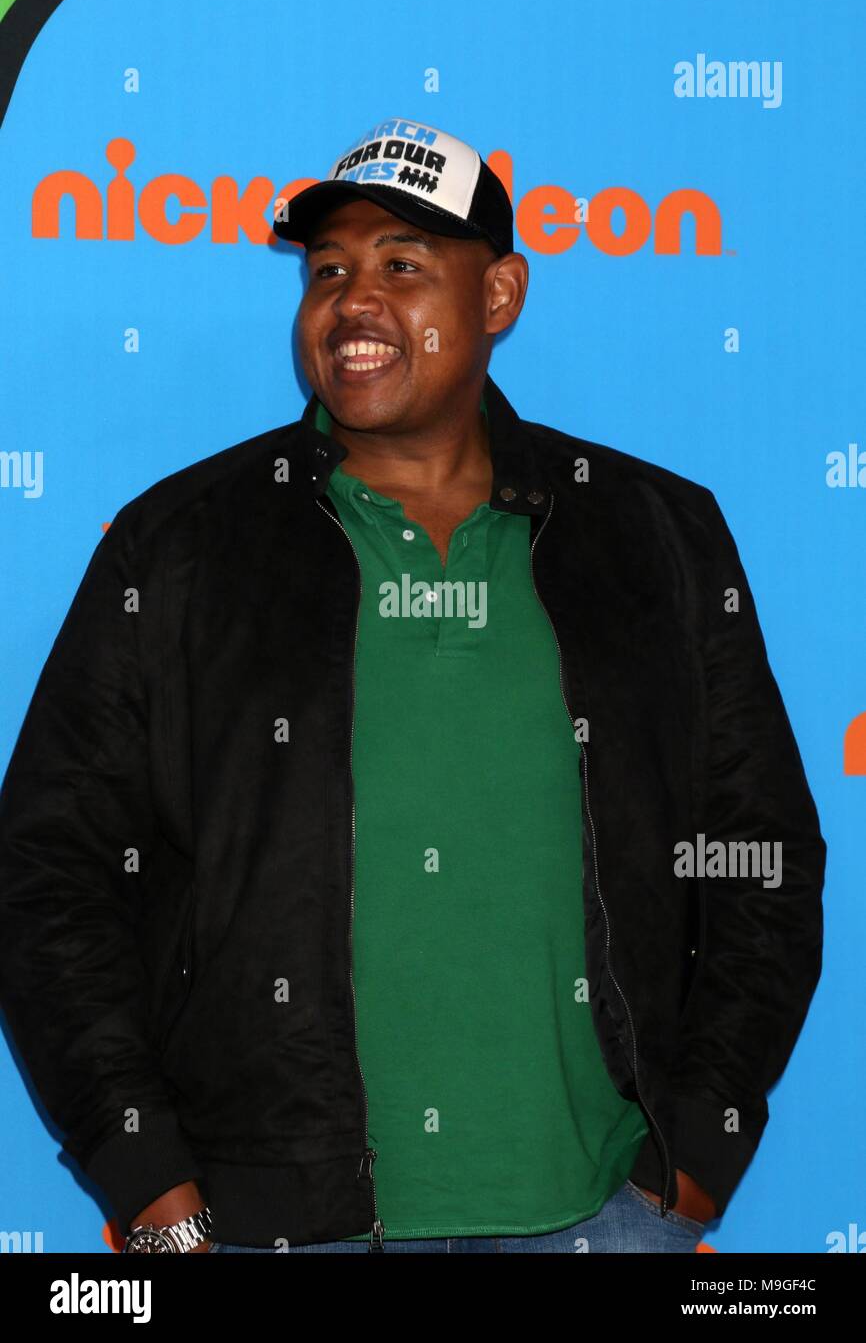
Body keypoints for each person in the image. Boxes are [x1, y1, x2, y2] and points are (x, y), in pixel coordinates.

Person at [0, 117, 825, 1254]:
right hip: (272, 1222)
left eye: (400, 263)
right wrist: (148, 1185)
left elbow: (758, 851)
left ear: (498, 295)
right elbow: (48, 866)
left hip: (599, 1214)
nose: (352, 302)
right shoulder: (181, 546)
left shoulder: (654, 535)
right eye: (328, 270)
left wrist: (693, 1159)